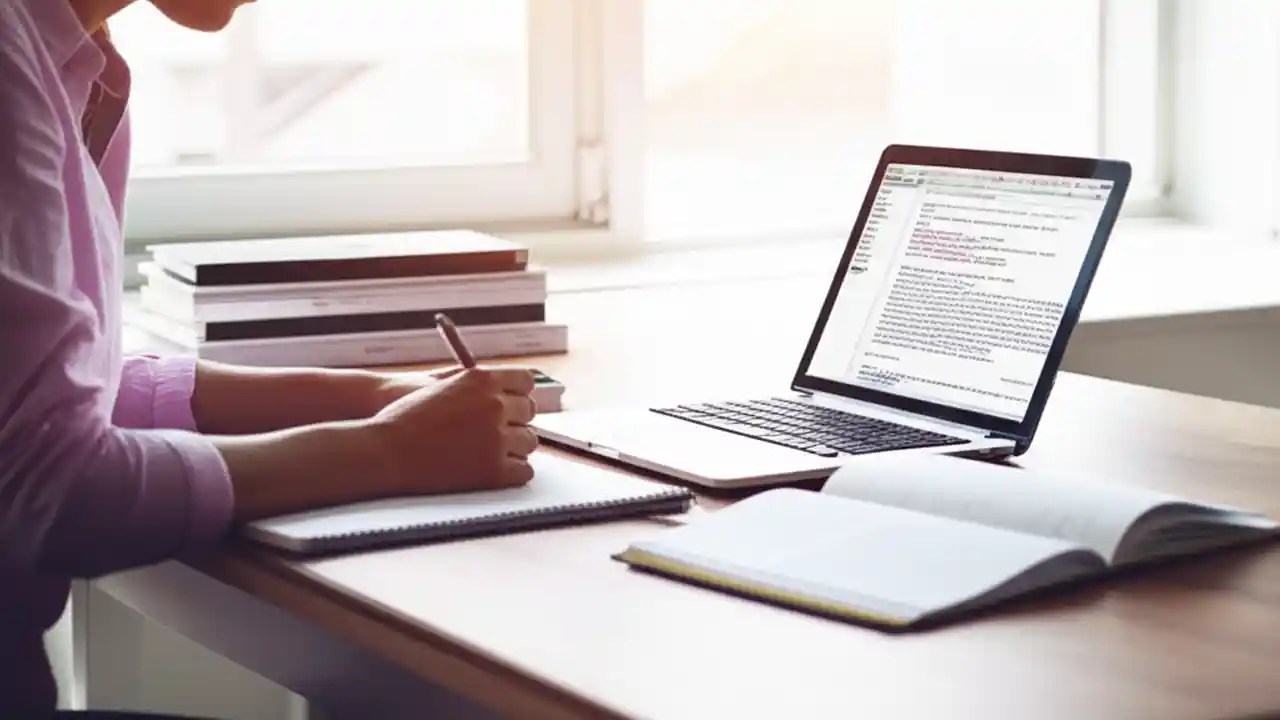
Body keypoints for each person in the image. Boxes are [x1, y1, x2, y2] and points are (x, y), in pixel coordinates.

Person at [0, 0, 540, 714]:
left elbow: (54, 400)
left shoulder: (76, 66)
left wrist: (371, 396)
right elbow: (51, 486)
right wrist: (389, 451)